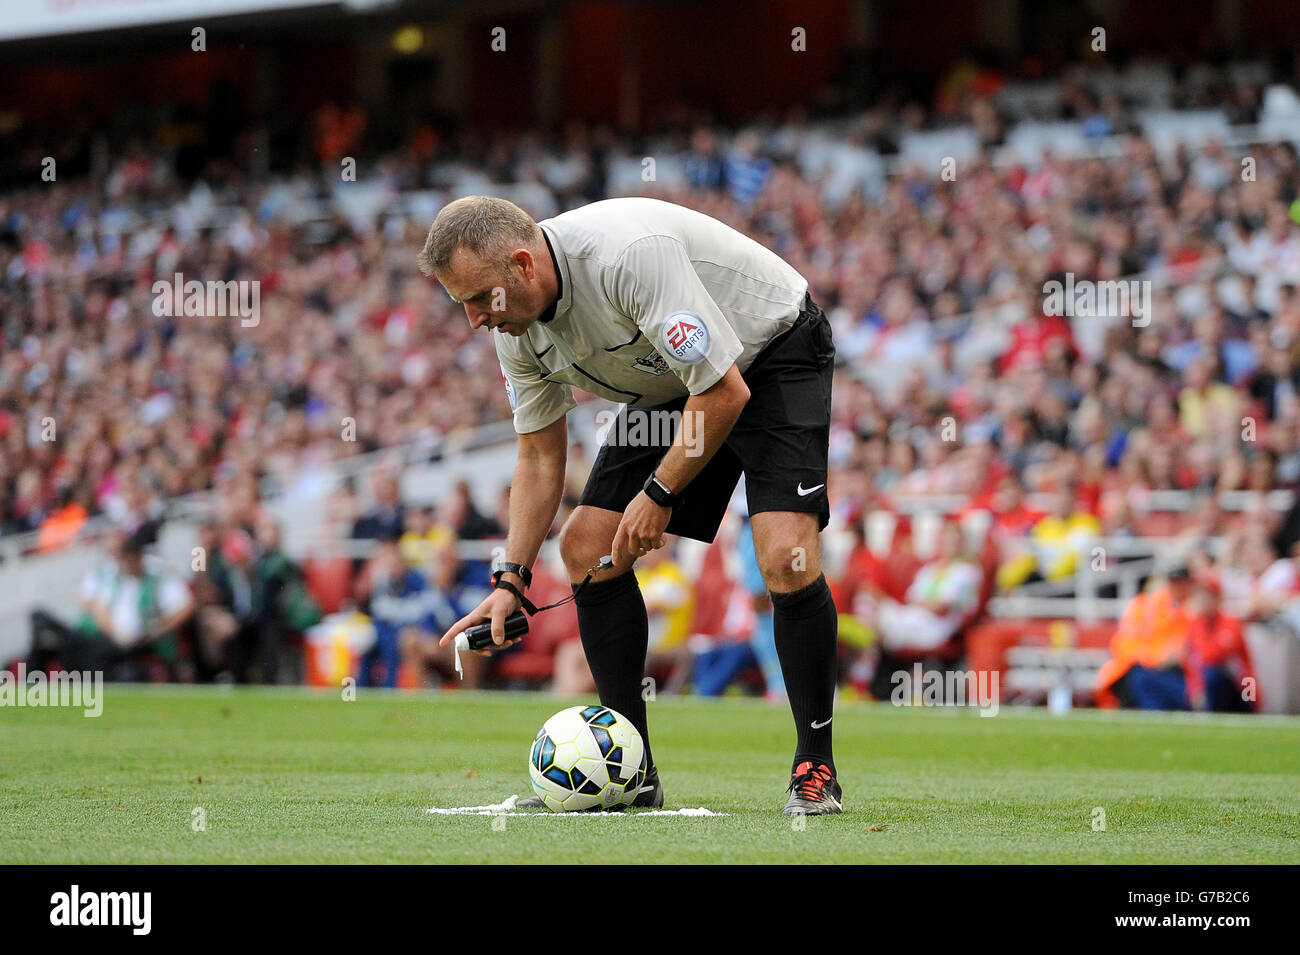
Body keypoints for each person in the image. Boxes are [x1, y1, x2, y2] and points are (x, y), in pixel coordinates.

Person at [423, 195, 841, 814]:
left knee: (786, 556)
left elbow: (724, 392)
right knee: (587, 548)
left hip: (774, 352)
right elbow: (539, 457)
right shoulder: (517, 328)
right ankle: (630, 771)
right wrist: (511, 579)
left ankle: (815, 766)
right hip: (679, 381)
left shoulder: (627, 258)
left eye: (482, 298)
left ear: (523, 265)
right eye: (462, 304)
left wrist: (660, 493)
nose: (475, 320)